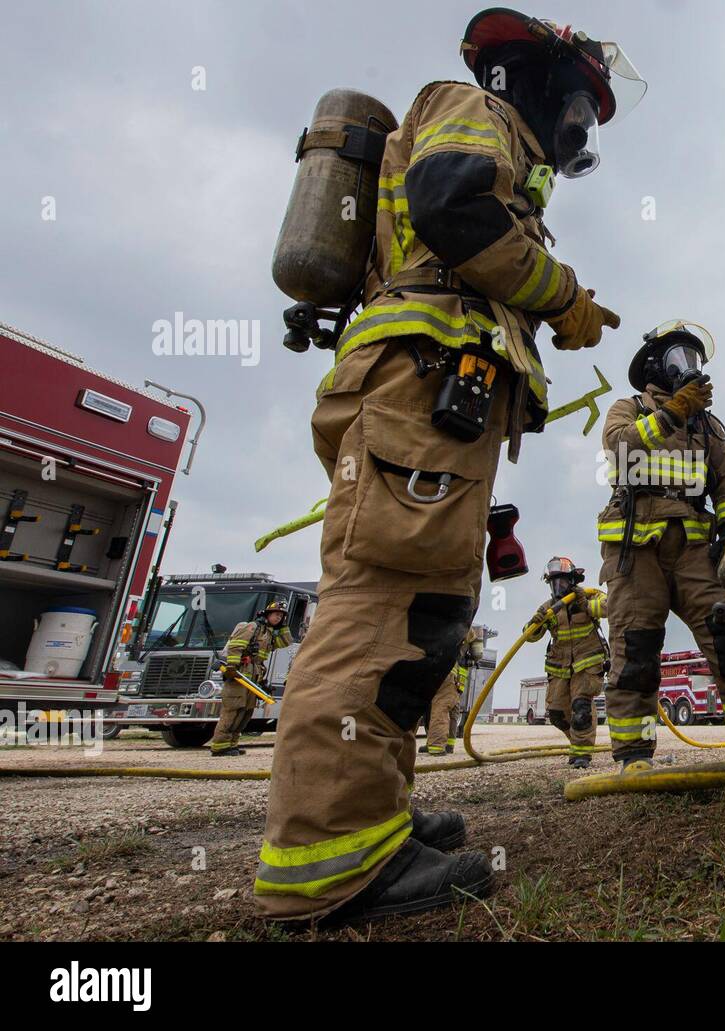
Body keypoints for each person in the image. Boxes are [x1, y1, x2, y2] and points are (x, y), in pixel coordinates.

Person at [256, 8, 644, 924]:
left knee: (423, 609)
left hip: (433, 398)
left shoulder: (485, 128)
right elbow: (451, 201)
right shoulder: (475, 107)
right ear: (534, 84)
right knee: (381, 599)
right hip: (418, 391)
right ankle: (324, 861)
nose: (573, 136)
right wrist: (563, 297)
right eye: (578, 112)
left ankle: (370, 820)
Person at [597, 321, 725, 770]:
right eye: (680, 356)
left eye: (694, 359)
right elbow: (620, 451)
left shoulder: (709, 427)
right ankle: (634, 755)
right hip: (636, 548)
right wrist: (671, 413)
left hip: (695, 548)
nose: (688, 367)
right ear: (656, 364)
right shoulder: (629, 409)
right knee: (636, 647)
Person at [525, 557, 608, 768]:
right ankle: (578, 743)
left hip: (587, 663)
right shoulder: (549, 608)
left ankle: (582, 754)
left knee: (581, 707)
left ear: (572, 580)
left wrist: (586, 606)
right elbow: (529, 637)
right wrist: (535, 623)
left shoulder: (587, 596)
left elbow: (611, 606)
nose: (558, 587)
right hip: (560, 667)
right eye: (554, 583)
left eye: (562, 582)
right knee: (556, 714)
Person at [211, 601, 294, 757]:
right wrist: (232, 668)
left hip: (254, 675)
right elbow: (236, 645)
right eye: (276, 614)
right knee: (233, 709)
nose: (278, 618)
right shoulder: (251, 627)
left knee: (246, 711)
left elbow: (286, 642)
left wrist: (283, 626)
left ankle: (231, 744)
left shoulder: (268, 633)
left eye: (281, 616)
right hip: (240, 673)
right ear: (267, 614)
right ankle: (219, 745)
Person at [421, 629, 482, 754]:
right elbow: (477, 654)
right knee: (447, 707)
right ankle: (442, 745)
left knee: (441, 707)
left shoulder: (436, 621)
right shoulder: (466, 627)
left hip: (434, 669)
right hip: (451, 674)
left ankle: (440, 745)